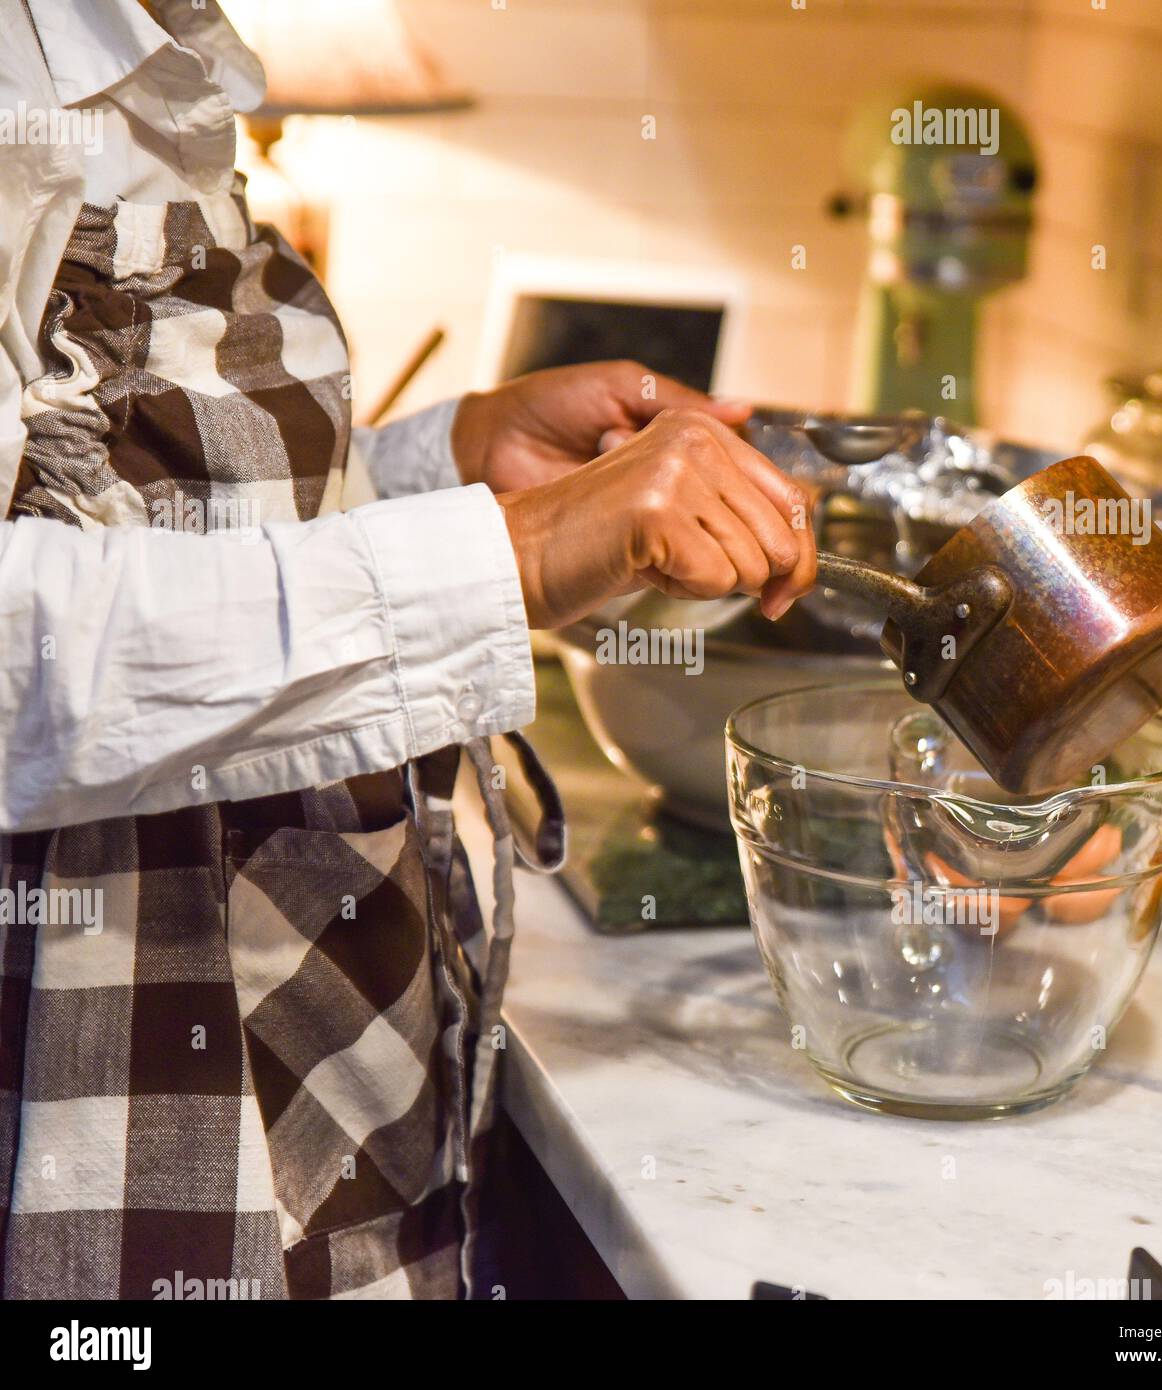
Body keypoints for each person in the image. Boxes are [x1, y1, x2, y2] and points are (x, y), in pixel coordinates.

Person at [0, 0, 816, 1299]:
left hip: (316, 1054)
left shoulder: (163, 52)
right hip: (115, 1091)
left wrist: (442, 471)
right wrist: (523, 550)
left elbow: (135, 513)